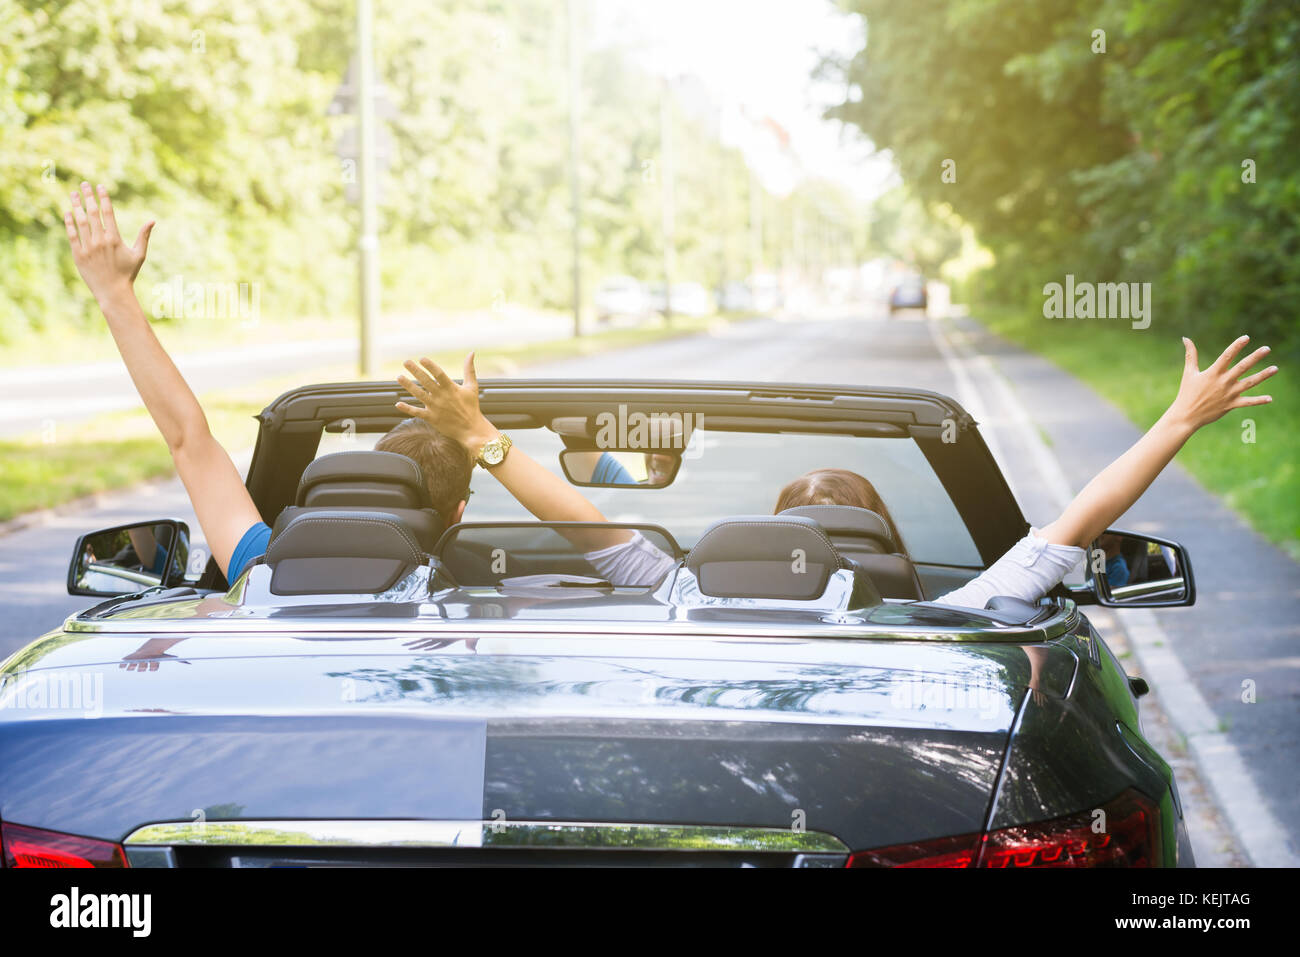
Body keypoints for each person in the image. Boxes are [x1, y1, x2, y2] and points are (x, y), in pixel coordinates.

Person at [395, 329, 1277, 608]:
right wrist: (1179, 418)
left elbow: (578, 515)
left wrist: (480, 436)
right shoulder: (960, 617)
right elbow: (1083, 513)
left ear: (774, 534)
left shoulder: (685, 596)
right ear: (882, 540)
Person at [63, 183, 621, 584]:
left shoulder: (268, 571)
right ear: (458, 513)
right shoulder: (489, 588)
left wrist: (115, 294)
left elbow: (189, 439)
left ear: (372, 480)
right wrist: (478, 435)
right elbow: (604, 543)